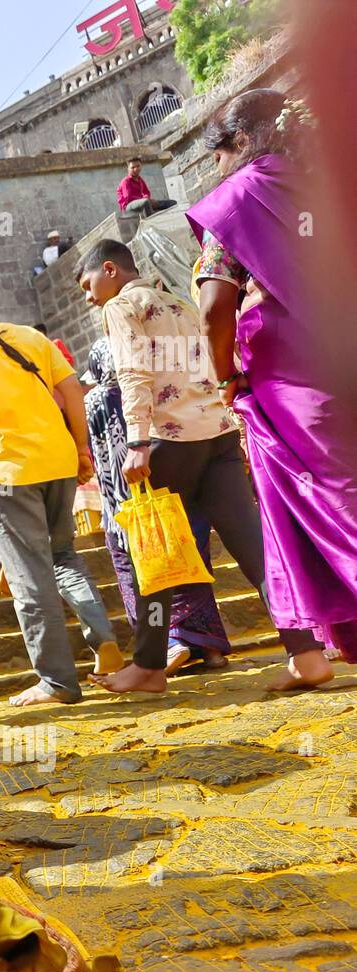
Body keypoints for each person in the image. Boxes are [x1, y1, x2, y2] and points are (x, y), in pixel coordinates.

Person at [76, 237, 320, 694]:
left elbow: (132, 372)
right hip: (217, 433)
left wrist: (137, 441)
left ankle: (149, 665)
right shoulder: (181, 301)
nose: (89, 297)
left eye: (88, 284)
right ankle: (304, 652)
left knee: (152, 555)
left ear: (110, 270)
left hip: (168, 440)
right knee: (254, 548)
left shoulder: (123, 306)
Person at [189, 90, 357, 681]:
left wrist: (227, 375)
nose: (216, 169)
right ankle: (308, 653)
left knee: (334, 501)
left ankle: (313, 649)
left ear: (237, 144)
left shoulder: (235, 200)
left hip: (293, 375)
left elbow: (215, 308)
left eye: (216, 155)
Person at [0, 290, 124, 708]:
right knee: (63, 556)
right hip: (57, 461)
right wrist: (80, 447)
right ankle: (104, 642)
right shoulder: (28, 336)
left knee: (28, 578)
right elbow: (72, 389)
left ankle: (56, 680)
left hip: (9, 474)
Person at [80, 335, 231, 674]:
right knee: (190, 565)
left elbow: (105, 459)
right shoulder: (153, 388)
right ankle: (210, 650)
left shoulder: (95, 401)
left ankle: (170, 645)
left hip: (127, 504)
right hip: (174, 494)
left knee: (141, 576)